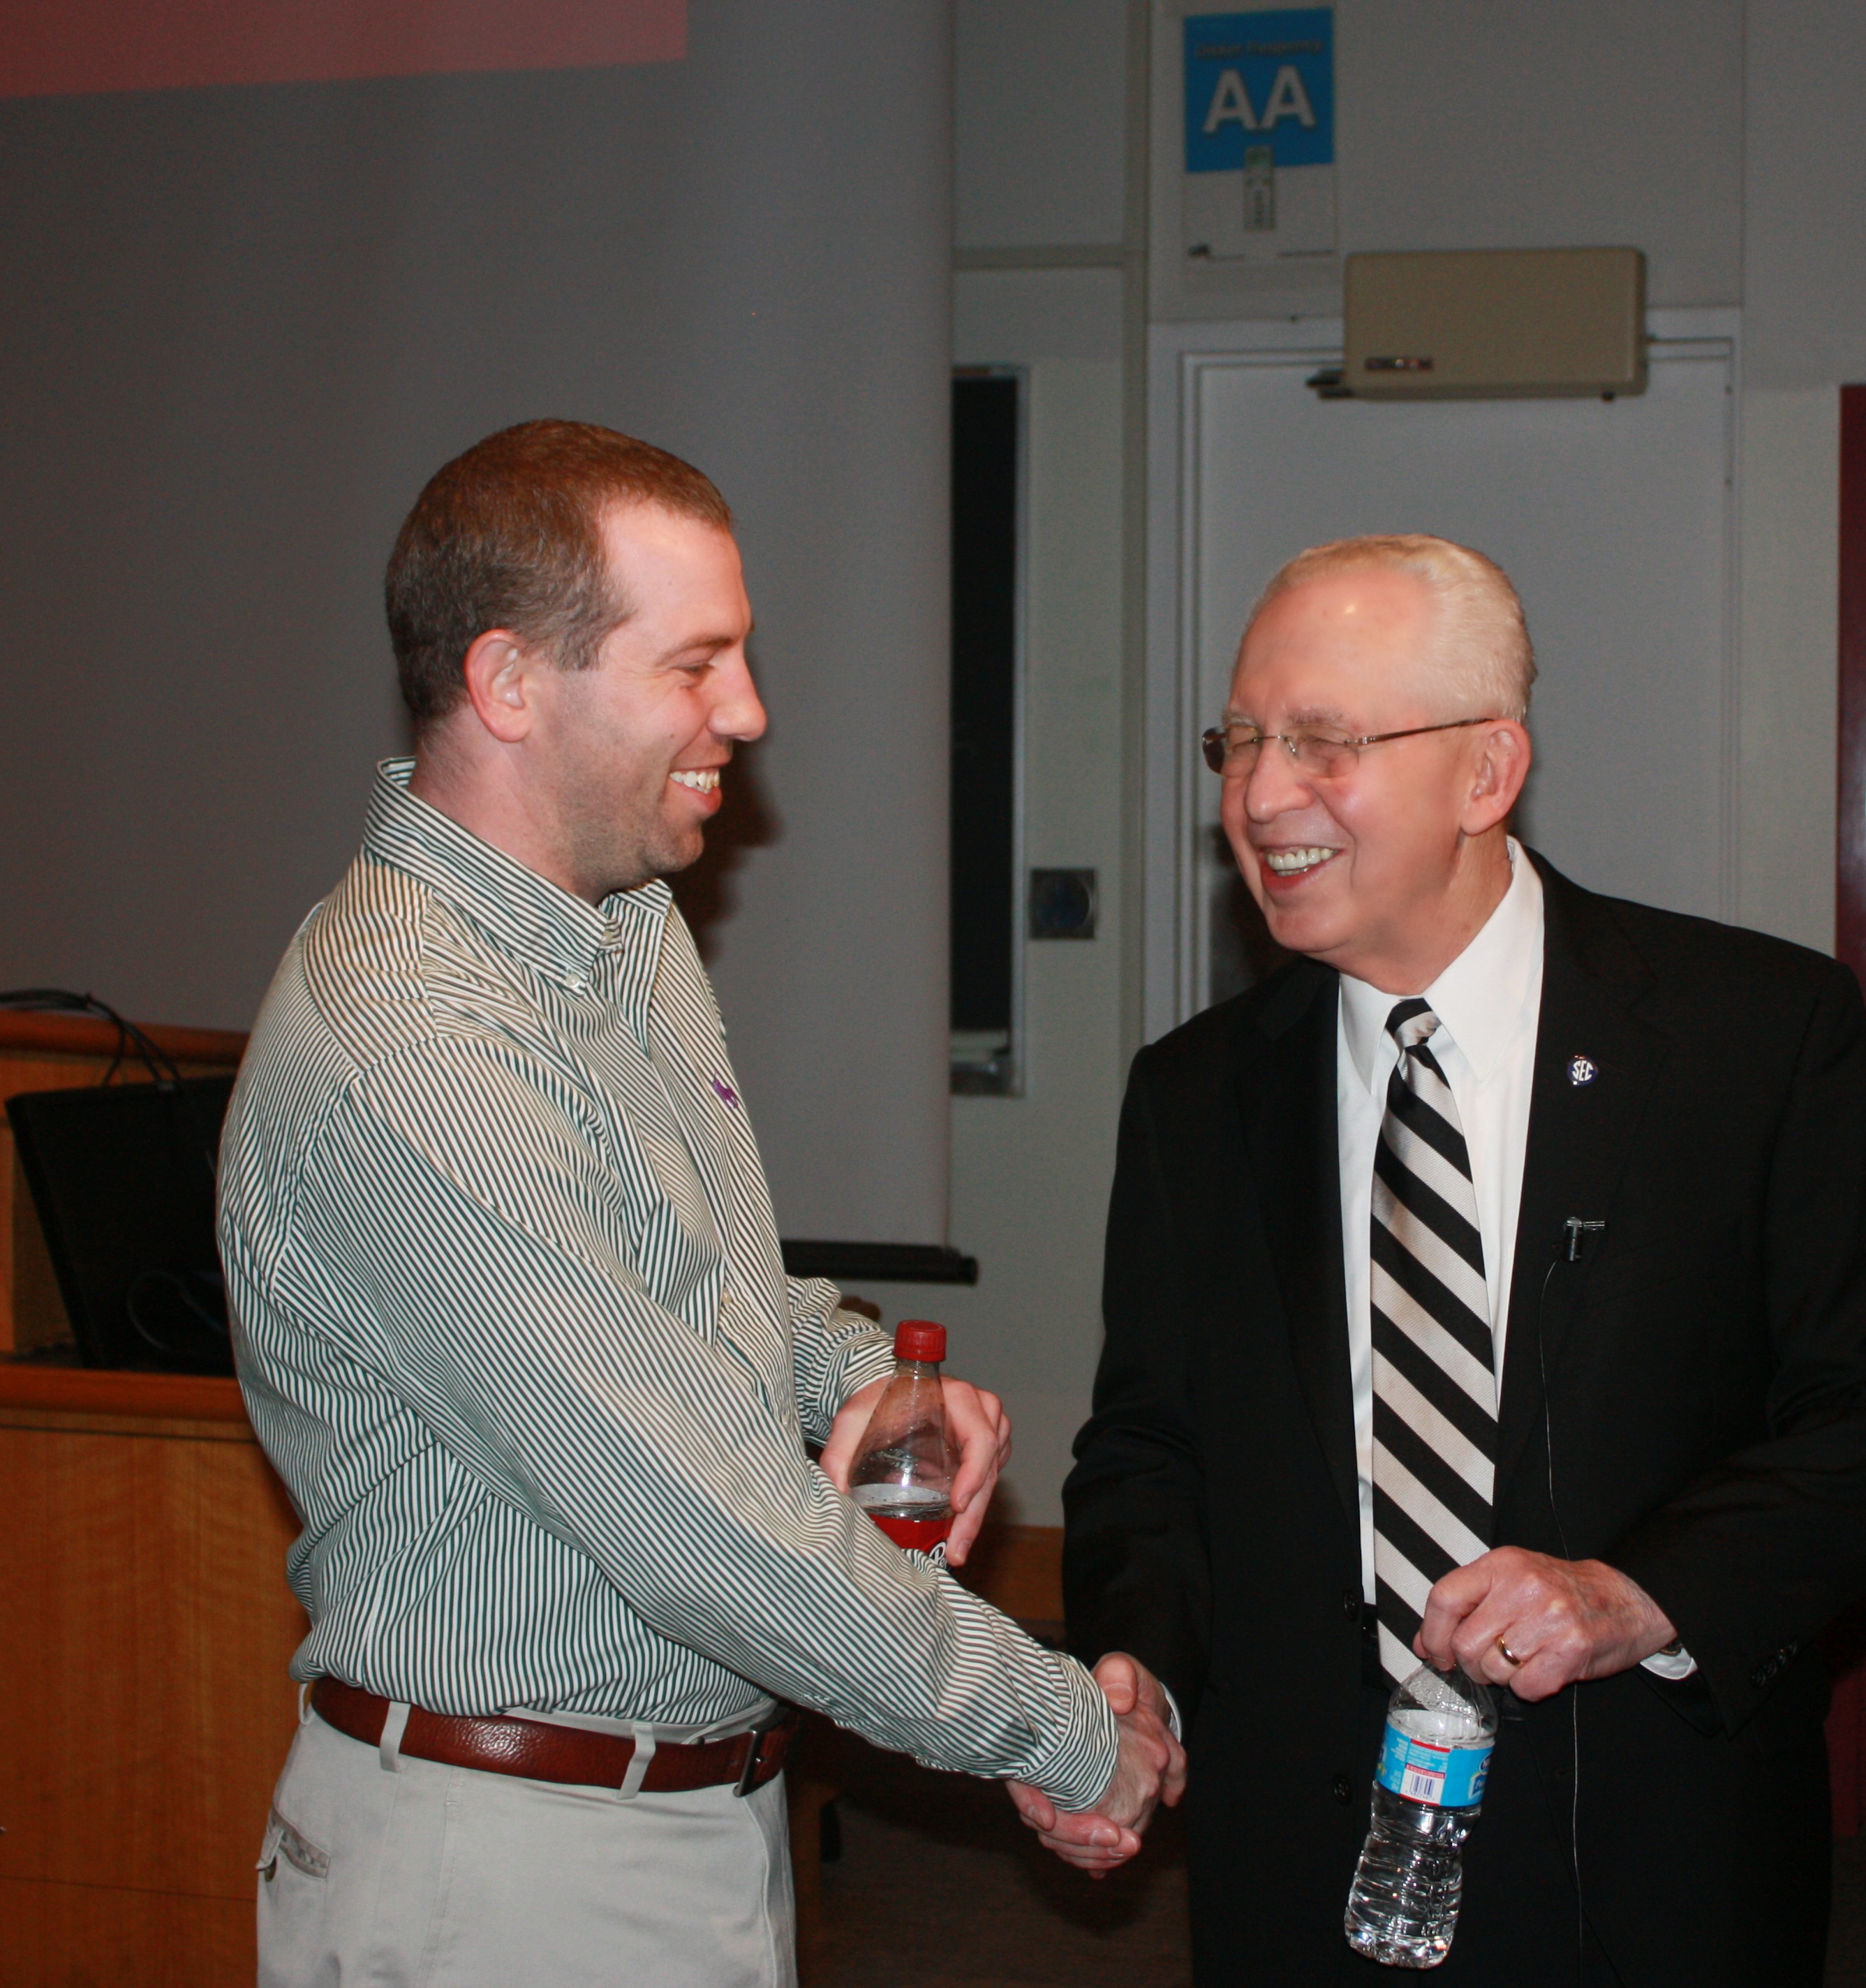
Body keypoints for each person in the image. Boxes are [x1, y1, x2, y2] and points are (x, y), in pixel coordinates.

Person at [217, 420, 1177, 1987]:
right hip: (506, 1870)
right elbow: (710, 1527)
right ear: (510, 682)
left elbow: (683, 1288)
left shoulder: (621, 932)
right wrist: (1066, 1726)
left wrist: (865, 1372)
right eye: (697, 663)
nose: (750, 710)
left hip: (679, 1823)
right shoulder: (415, 1047)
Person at [1050, 535, 1866, 1985]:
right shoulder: (1198, 1093)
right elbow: (1149, 1454)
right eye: (1242, 740)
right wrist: (1137, 1671)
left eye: (1324, 742)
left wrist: (1639, 1592)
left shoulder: (1751, 1038)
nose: (1259, 795)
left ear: (1487, 774)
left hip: (1654, 1853)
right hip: (1303, 1870)